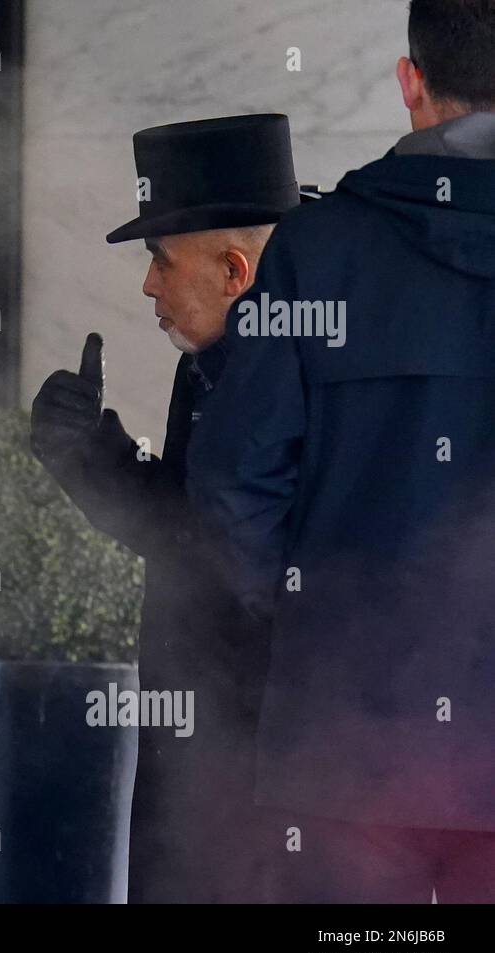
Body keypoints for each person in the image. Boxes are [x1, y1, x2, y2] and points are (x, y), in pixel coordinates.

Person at [188, 0, 495, 903]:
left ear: (411, 81)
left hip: (349, 743)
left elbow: (232, 479)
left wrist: (310, 630)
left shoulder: (316, 249)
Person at [30, 114, 305, 902]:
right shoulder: (218, 356)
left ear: (233, 269)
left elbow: (232, 557)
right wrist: (89, 455)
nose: (149, 283)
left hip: (271, 773)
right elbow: (182, 532)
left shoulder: (319, 377)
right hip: (197, 753)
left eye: (159, 258)